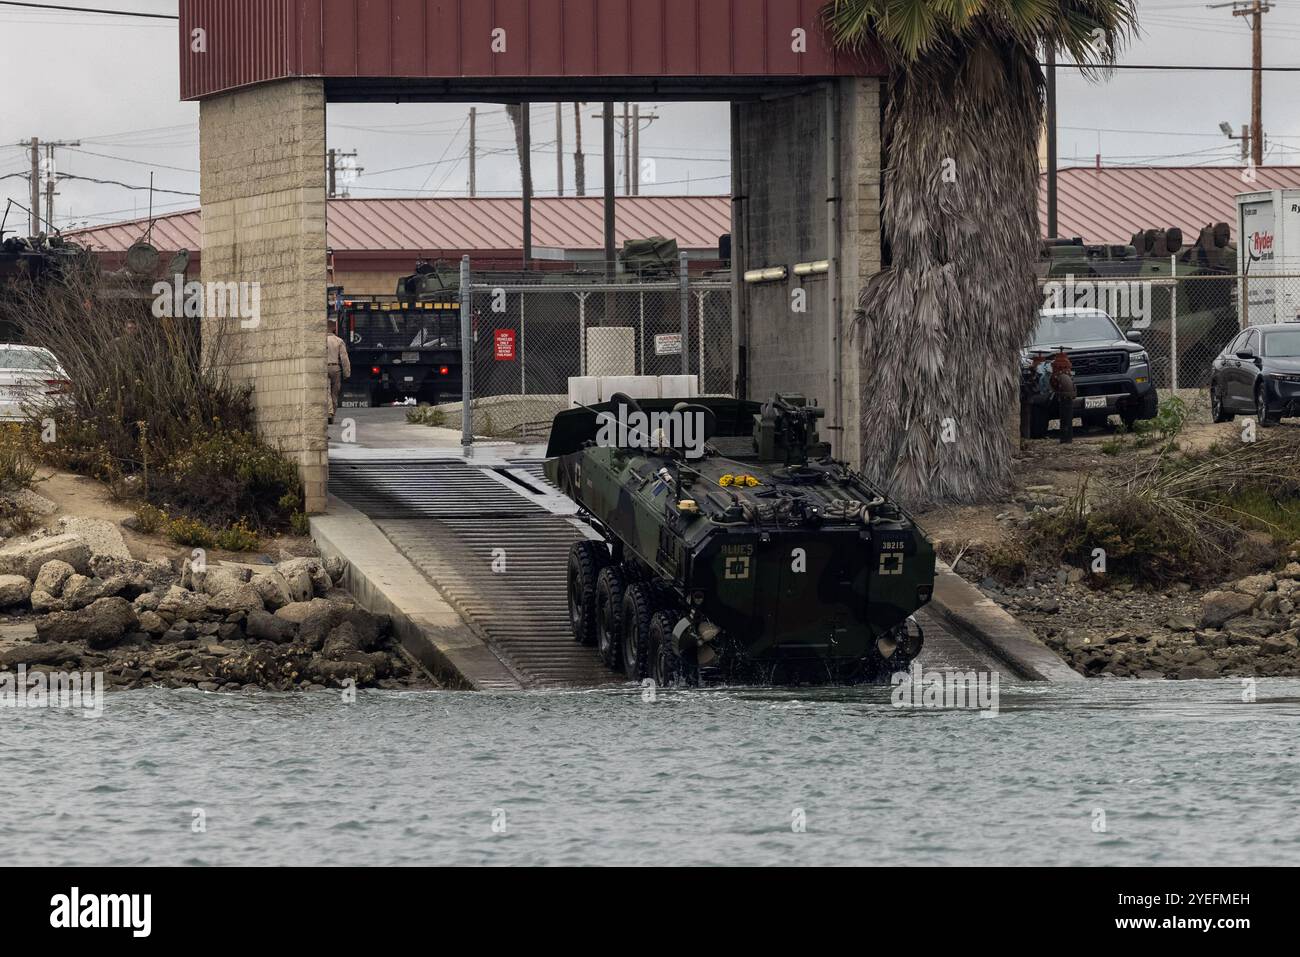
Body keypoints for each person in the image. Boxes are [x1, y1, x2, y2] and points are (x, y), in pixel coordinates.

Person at [326, 319, 351, 425]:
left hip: (324, 368)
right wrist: (347, 373)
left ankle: (329, 412)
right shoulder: (339, 341)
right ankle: (332, 414)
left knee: (326, 391)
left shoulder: (320, 340)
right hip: (336, 368)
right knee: (335, 393)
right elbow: (344, 358)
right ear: (334, 328)